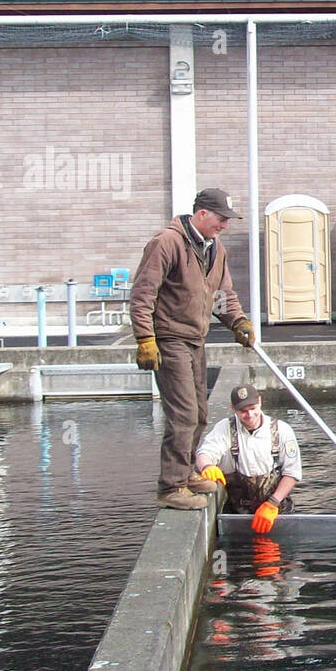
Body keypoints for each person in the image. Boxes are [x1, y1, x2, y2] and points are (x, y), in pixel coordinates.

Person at [131, 187, 255, 510]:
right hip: (169, 340)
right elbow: (143, 295)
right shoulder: (166, 244)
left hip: (195, 340)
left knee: (199, 411)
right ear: (201, 214)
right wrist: (145, 339)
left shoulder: (215, 249)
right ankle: (170, 486)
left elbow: (223, 295)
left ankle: (185, 473)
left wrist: (239, 323)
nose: (225, 226)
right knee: (183, 413)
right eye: (221, 219)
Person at [195, 384, 302, 534]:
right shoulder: (225, 428)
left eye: (253, 408)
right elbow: (205, 452)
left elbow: (292, 473)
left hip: (277, 513)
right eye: (243, 411)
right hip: (237, 516)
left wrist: (272, 503)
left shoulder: (282, 430)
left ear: (260, 402)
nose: (250, 415)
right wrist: (206, 466)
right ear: (233, 409)